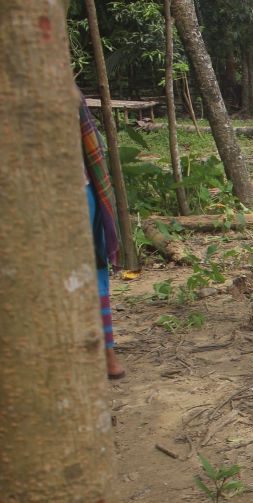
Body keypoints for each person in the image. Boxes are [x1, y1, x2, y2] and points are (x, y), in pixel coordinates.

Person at [80, 92, 125, 379]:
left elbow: (90, 144)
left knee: (94, 271)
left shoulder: (62, 92)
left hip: (76, 191)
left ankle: (106, 349)